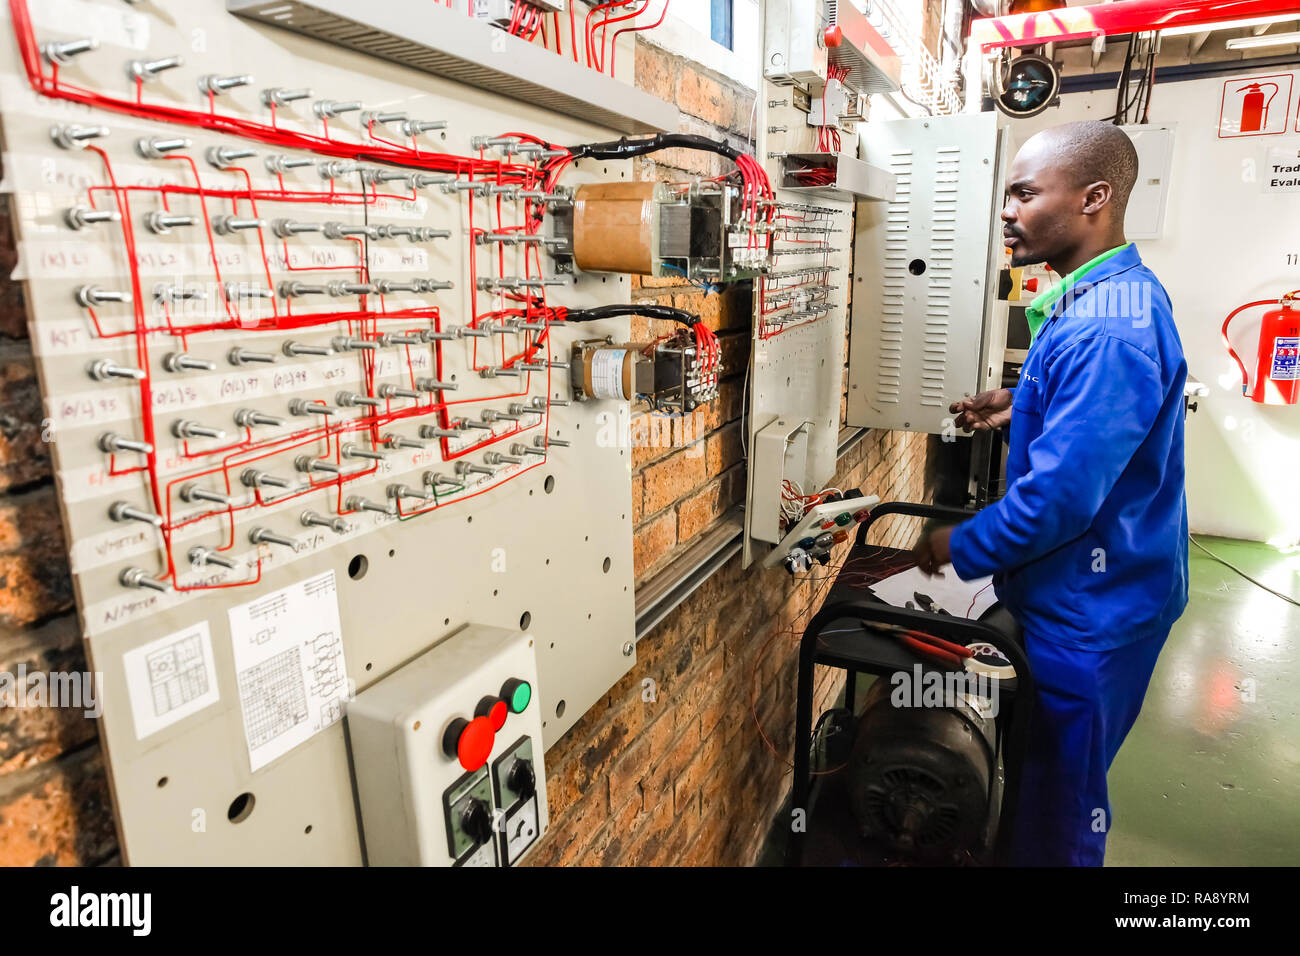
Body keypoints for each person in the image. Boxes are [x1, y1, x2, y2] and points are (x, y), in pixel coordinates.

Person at [911, 120, 1189, 866]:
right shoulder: (1108, 296)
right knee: (1036, 779)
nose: (1008, 210)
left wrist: (954, 547)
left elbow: (1060, 503)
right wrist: (1020, 401)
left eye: (1026, 193)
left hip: (1092, 612)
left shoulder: (1105, 330)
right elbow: (1086, 417)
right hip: (1083, 594)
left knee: (1059, 814)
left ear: (1095, 198)